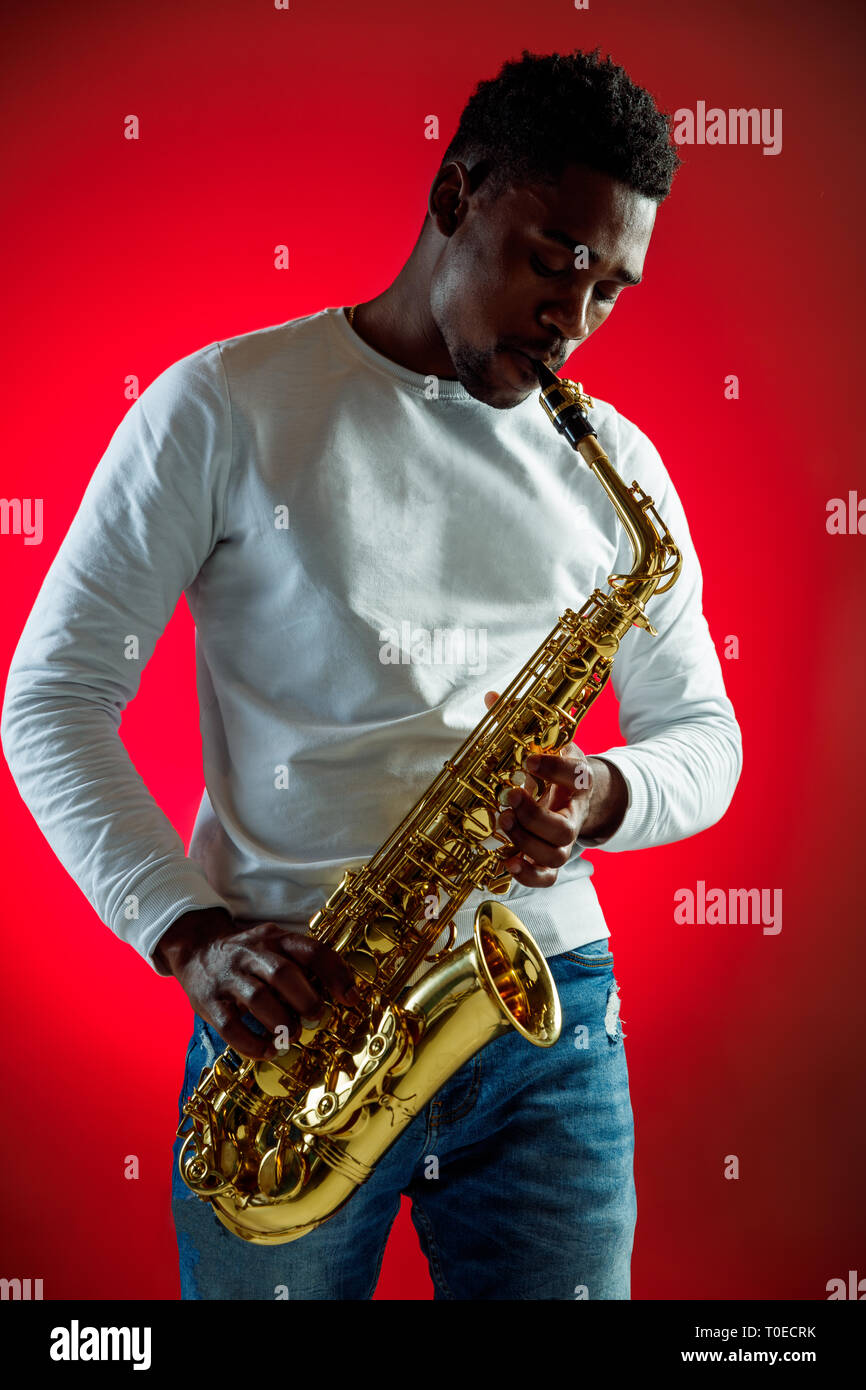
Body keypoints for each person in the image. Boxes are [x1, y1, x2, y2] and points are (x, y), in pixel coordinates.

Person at [0, 47, 742, 1300]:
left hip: (543, 1023)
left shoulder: (618, 469)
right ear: (456, 194)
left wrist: (602, 793)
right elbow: (50, 700)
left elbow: (702, 735)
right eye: (550, 258)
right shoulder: (223, 407)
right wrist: (187, 932)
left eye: (610, 289)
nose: (571, 318)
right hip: (290, 1024)